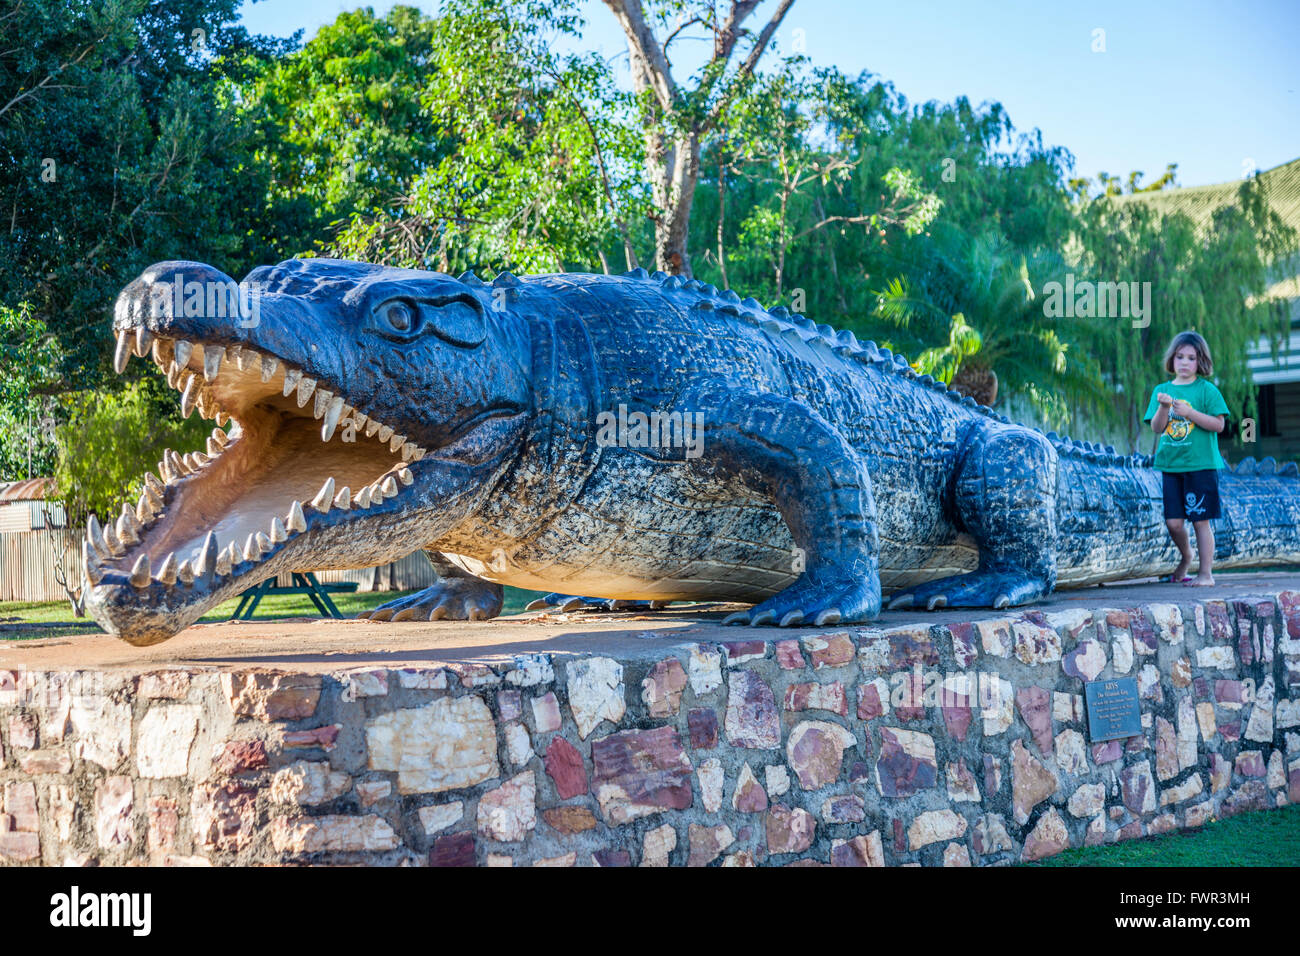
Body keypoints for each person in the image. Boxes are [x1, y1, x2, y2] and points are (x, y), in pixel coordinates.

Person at [1142, 330, 1230, 586]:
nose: (1184, 362)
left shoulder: (1207, 390)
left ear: (1200, 361)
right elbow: (1157, 428)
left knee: (1201, 521)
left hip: (1201, 466)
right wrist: (1164, 407)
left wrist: (1190, 413)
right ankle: (1186, 555)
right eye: (1179, 356)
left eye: (1191, 358)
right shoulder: (1162, 390)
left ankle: (1206, 574)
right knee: (1173, 523)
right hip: (1171, 465)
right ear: (1172, 359)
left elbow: (1218, 425)